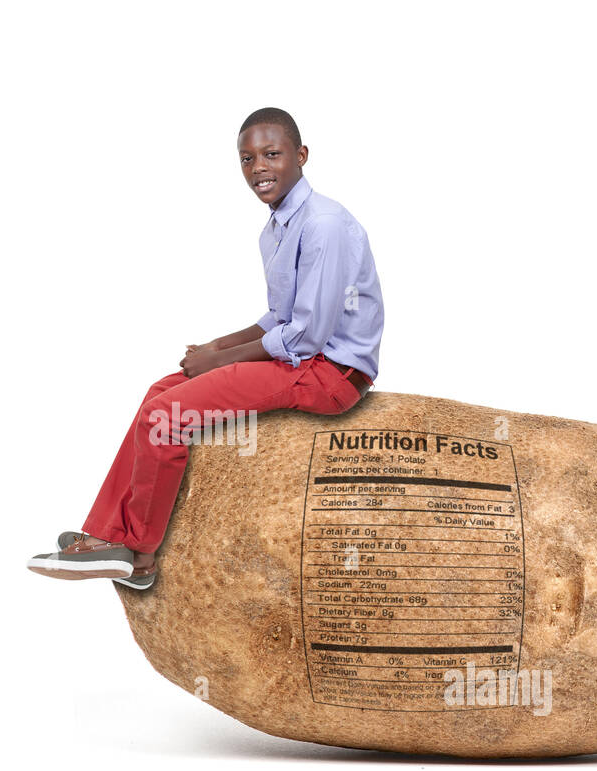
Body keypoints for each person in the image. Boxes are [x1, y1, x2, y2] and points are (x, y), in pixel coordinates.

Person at [27, 106, 384, 589]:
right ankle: (106, 536)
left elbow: (306, 336)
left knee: (167, 418)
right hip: (304, 356)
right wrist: (217, 344)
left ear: (301, 156)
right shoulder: (277, 226)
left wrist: (216, 361)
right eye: (247, 158)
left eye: (272, 154)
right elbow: (279, 318)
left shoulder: (323, 223)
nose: (258, 167)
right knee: (160, 391)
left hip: (330, 372)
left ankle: (139, 557)